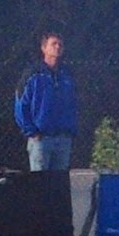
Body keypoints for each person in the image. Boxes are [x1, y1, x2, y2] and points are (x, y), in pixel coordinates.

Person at [14, 31, 77, 171]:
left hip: (63, 139)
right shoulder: (32, 74)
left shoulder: (67, 75)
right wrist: (32, 132)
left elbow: (73, 105)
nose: (57, 47)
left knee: (59, 186)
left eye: (60, 44)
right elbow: (21, 104)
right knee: (40, 185)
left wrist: (70, 131)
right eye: (53, 44)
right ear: (44, 48)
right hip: (41, 140)